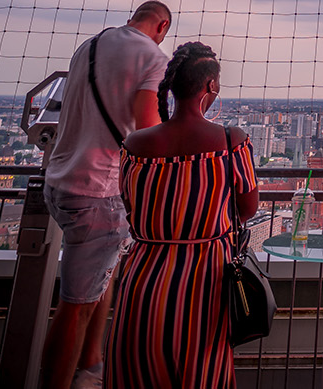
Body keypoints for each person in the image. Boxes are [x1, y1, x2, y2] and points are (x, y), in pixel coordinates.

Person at [106, 41, 258, 388]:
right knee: (200, 374)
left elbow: (132, 209)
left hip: (143, 278)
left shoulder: (135, 145)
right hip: (205, 281)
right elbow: (247, 210)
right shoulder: (231, 141)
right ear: (210, 87)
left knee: (137, 372)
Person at [41, 1, 171, 389]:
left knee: (101, 277)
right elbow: (147, 130)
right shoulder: (153, 58)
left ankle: (91, 367)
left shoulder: (90, 45)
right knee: (74, 309)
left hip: (59, 181)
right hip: (99, 189)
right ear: (162, 26)